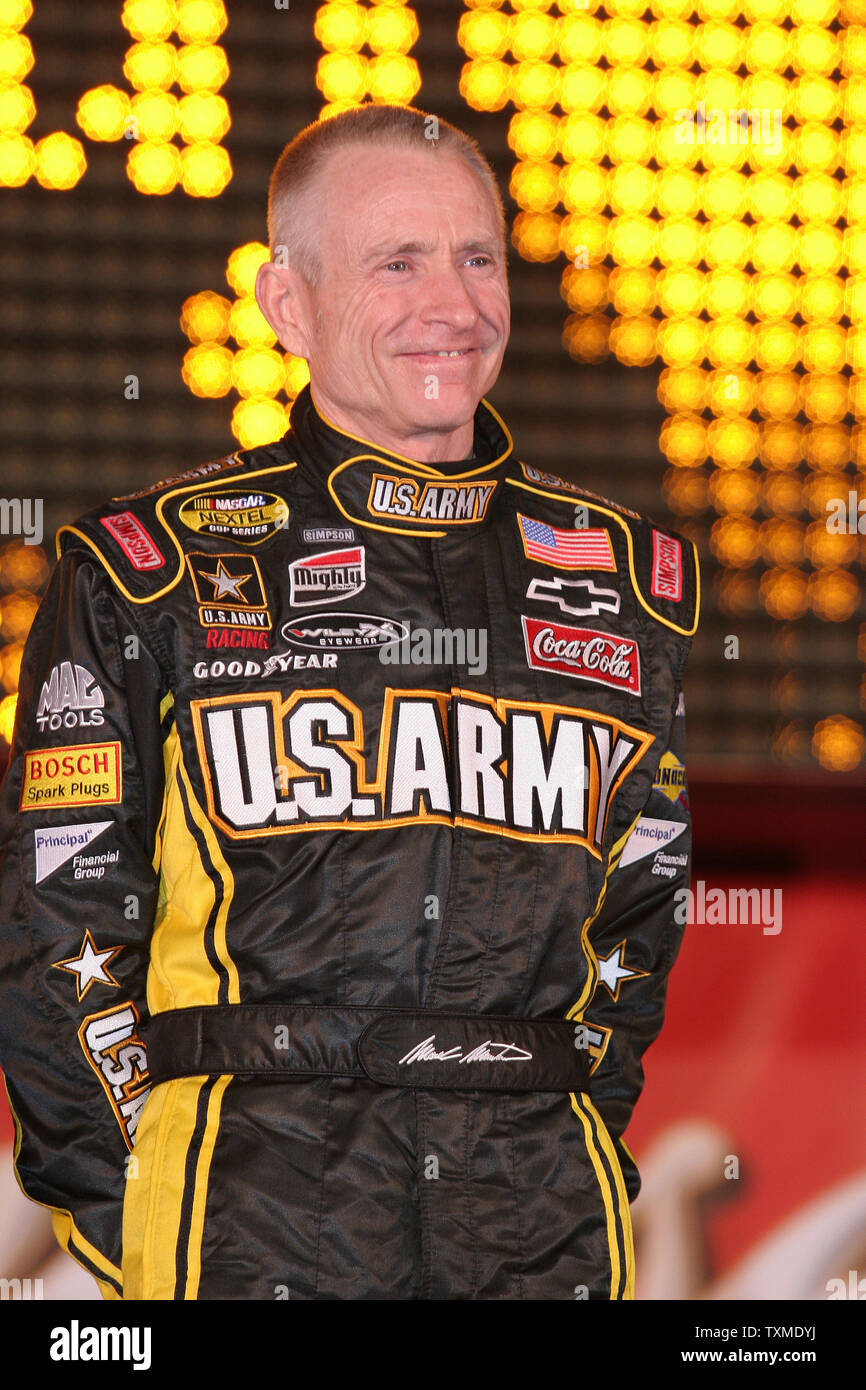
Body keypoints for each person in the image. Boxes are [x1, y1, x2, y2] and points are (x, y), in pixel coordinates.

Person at [0, 104, 699, 1301]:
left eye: (476, 257)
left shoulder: (629, 581)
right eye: (396, 262)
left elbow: (637, 922)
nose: (455, 304)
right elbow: (57, 929)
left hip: (541, 1240)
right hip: (240, 1225)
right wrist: (149, 1208)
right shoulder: (141, 569)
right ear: (287, 304)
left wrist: (559, 1148)